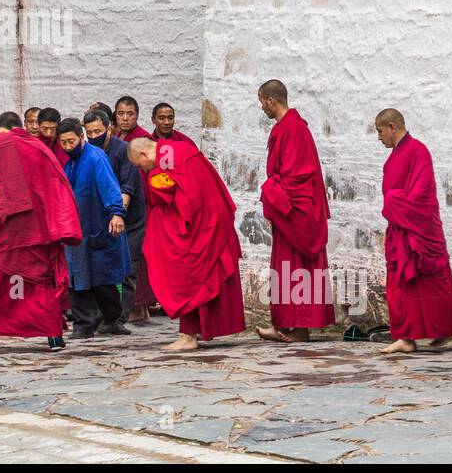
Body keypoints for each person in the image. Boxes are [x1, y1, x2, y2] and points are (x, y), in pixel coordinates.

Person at [0, 127, 82, 352]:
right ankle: (54, 336)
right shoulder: (40, 149)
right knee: (40, 281)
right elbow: (56, 186)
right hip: (39, 228)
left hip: (8, 225)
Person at [129, 136, 245, 351]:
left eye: (140, 166)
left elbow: (178, 196)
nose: (144, 171)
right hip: (212, 220)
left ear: (143, 155)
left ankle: (188, 335)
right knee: (202, 275)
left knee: (184, 274)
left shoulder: (161, 167)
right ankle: (198, 328)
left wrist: (154, 179)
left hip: (198, 227)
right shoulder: (183, 149)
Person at [375, 109, 452, 354]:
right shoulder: (395, 156)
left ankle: (441, 329)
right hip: (401, 230)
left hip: (419, 229)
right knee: (401, 286)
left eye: (380, 131)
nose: (379, 137)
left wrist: (393, 202)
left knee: (432, 283)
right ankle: (406, 338)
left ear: (392, 127)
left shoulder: (418, 151)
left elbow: (423, 195)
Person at [256, 79, 334, 342]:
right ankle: (284, 326)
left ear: (270, 100)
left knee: (299, 267)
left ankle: (301, 329)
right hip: (285, 210)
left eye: (262, 103)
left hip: (297, 212)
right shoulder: (283, 127)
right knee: (284, 268)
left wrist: (271, 192)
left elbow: (296, 178)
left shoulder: (295, 129)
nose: (262, 109)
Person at [57, 117, 129, 339]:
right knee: (77, 278)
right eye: (63, 143)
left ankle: (110, 319)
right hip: (76, 232)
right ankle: (83, 325)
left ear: (81, 137)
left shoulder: (96, 158)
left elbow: (109, 186)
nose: (68, 147)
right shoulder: (69, 163)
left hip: (98, 227)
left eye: (71, 141)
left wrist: (116, 213)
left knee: (102, 281)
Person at [83, 109, 146, 330]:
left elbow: (126, 190)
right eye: (89, 132)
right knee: (102, 269)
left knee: (127, 271)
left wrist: (117, 214)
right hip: (101, 221)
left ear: (110, 127)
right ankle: (103, 315)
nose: (93, 137)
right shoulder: (87, 152)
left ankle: (119, 319)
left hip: (129, 220)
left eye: (98, 131)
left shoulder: (123, 151)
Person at [115, 94, 156, 321]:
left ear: (137, 116)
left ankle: (140, 307)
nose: (125, 118)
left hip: (141, 207)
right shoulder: (116, 137)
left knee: (138, 259)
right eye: (121, 113)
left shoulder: (143, 140)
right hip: (123, 207)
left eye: (130, 114)